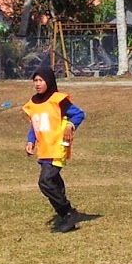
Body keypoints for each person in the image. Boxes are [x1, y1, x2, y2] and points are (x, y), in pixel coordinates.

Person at [24, 61, 85, 233]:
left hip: (57, 147)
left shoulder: (58, 101)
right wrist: (31, 141)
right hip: (44, 149)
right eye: (35, 80)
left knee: (45, 181)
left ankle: (67, 212)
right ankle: (66, 216)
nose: (37, 84)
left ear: (49, 81)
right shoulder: (34, 103)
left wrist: (70, 126)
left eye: (40, 80)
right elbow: (34, 125)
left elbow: (79, 114)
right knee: (54, 183)